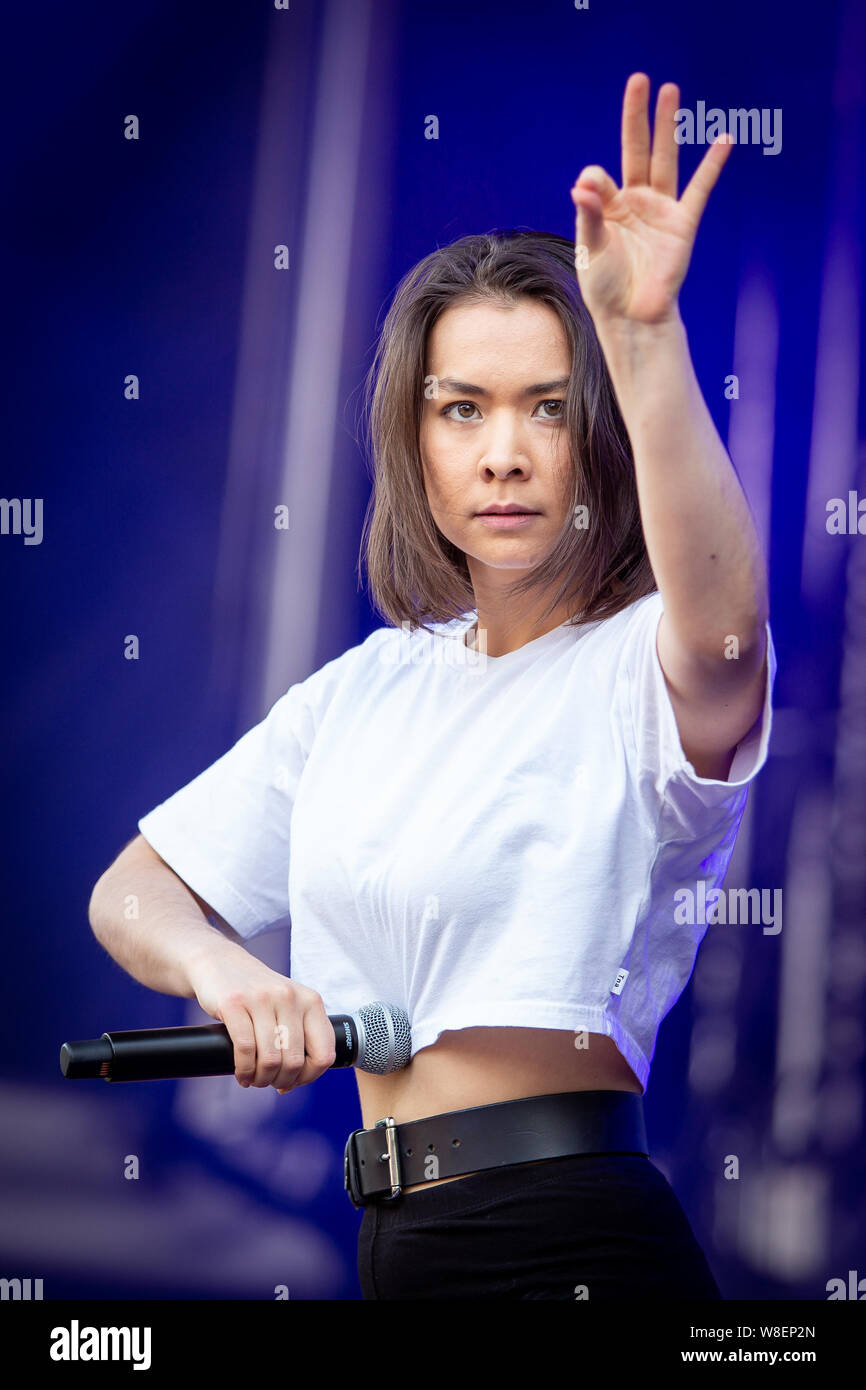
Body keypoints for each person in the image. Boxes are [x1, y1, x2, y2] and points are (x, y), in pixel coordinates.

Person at [88, 72, 776, 1300]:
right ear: (416, 440)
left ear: (596, 436)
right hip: (394, 1242)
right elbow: (130, 893)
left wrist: (643, 340)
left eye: (548, 410)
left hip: (566, 1241)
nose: (502, 450)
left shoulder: (641, 666)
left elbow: (724, 629)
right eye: (461, 409)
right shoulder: (367, 689)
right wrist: (228, 973)